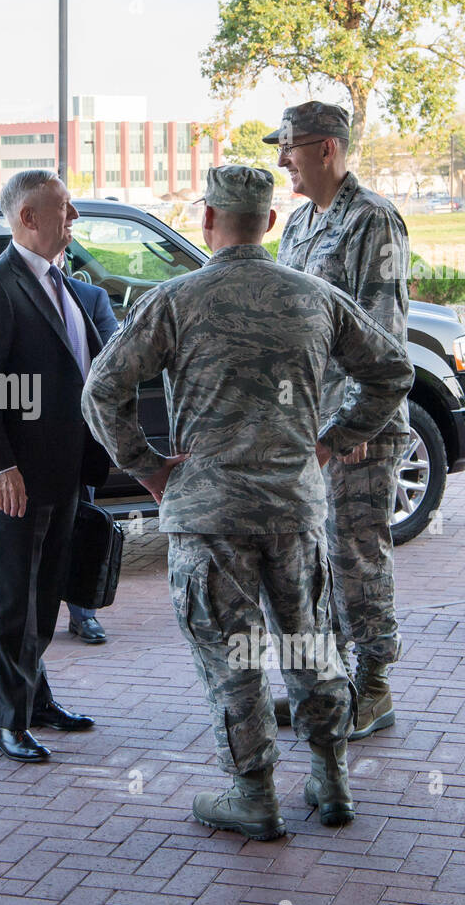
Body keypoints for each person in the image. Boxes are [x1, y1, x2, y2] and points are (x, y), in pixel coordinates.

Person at [81, 164, 412, 836]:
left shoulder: (175, 299)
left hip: (211, 515)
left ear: (207, 218)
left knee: (234, 655)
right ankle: (332, 780)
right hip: (294, 508)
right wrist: (335, 439)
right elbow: (393, 370)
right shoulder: (314, 297)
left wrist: (146, 467)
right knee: (311, 647)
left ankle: (253, 796)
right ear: (268, 222)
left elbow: (101, 392)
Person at [265, 102, 412, 741]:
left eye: (290, 147)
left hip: (355, 435)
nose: (280, 161)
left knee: (357, 557)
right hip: (305, 431)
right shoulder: (299, 224)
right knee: (314, 563)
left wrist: (351, 430)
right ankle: (326, 686)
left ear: (327, 149)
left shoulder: (373, 221)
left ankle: (373, 686)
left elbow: (384, 335)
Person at [0, 169, 110, 762]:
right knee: (16, 599)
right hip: (19, 477)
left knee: (47, 592)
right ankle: (5, 722)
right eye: (65, 210)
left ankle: (36, 701)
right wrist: (2, 468)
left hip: (66, 468)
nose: (73, 220)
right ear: (28, 217)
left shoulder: (61, 282)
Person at [63, 266, 119, 644]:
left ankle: (83, 613)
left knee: (82, 523)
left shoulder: (91, 297)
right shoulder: (4, 288)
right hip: (28, 436)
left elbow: (115, 357)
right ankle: (23, 617)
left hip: (79, 434)